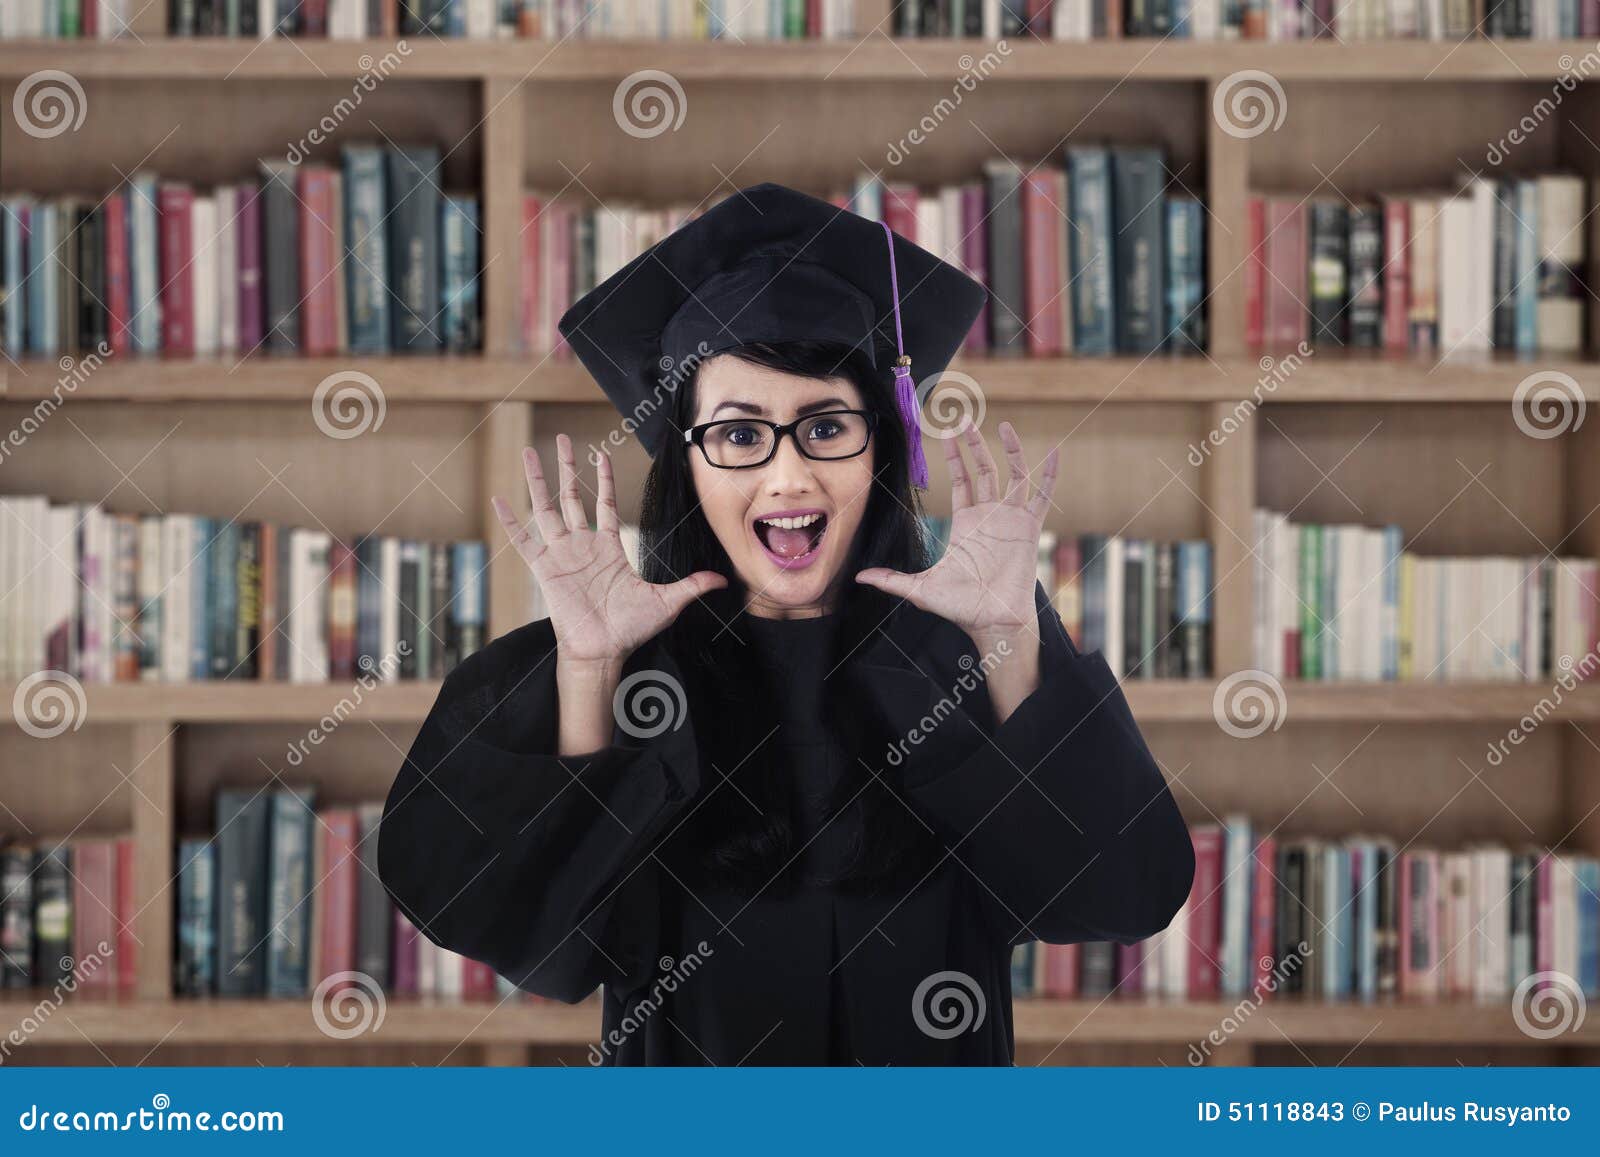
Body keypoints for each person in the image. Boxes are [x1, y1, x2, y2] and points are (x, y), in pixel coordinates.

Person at [377, 182, 1194, 1065]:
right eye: (738, 435)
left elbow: (1122, 894)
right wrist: (589, 669)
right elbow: (554, 951)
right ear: (686, 465)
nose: (787, 477)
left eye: (826, 426)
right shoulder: (635, 676)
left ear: (883, 444)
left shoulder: (954, 664)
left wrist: (1008, 637)